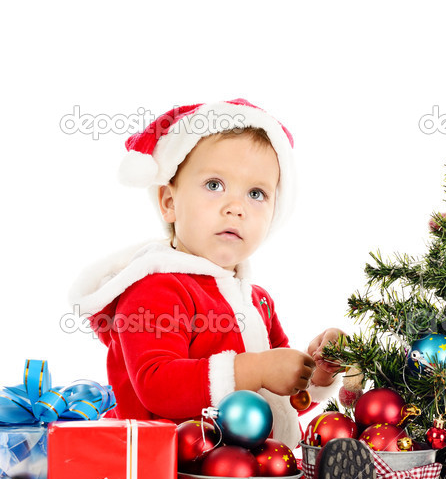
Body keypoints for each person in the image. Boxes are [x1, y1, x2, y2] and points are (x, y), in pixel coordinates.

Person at [69, 99, 345, 448]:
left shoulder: (257, 301)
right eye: (214, 185)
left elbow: (278, 399)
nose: (236, 207)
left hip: (257, 471)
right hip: (173, 470)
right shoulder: (154, 289)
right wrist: (256, 369)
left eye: (256, 193)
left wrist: (316, 372)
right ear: (169, 203)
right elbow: (157, 385)